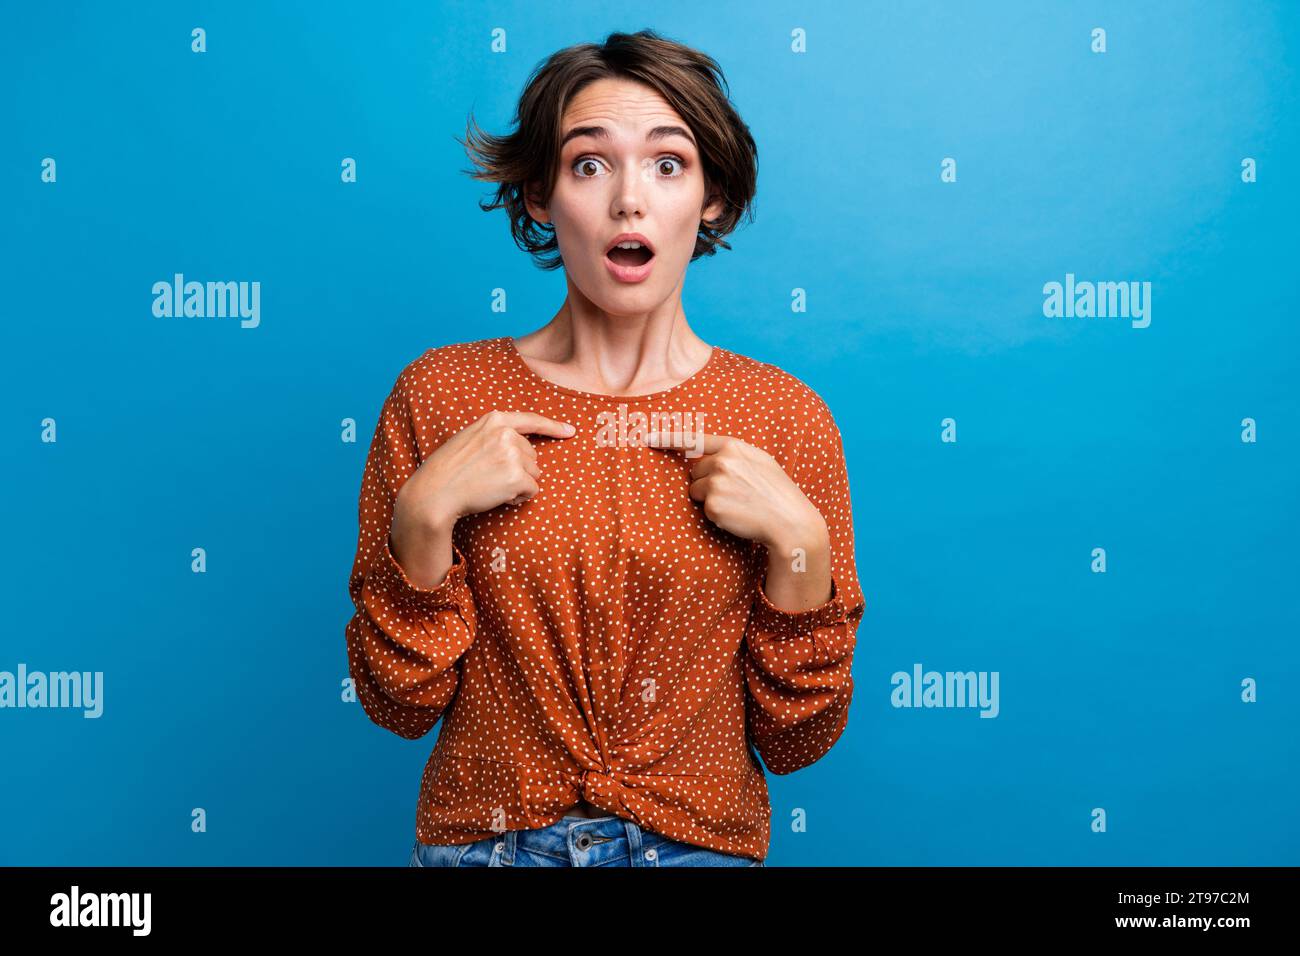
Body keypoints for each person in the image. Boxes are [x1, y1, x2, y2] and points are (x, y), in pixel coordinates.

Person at [345, 29, 866, 868]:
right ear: (541, 197)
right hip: (486, 848)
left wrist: (801, 547)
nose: (629, 200)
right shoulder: (441, 394)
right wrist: (422, 521)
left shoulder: (785, 417)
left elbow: (799, 740)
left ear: (713, 198)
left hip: (699, 849)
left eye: (668, 164)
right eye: (589, 164)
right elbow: (397, 707)